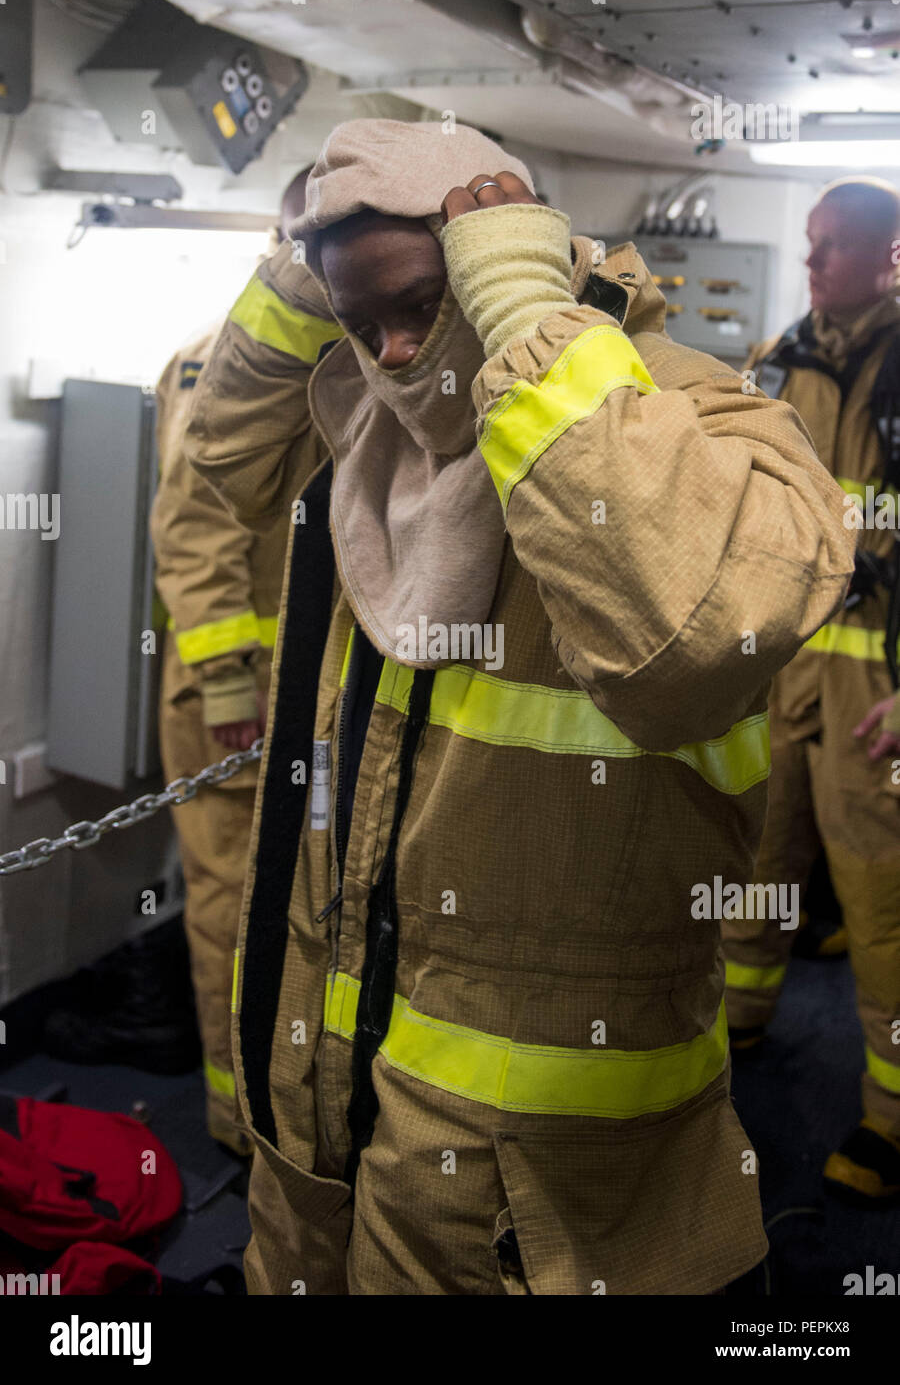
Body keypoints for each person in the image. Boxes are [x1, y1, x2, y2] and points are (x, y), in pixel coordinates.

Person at [184, 118, 853, 1293]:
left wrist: (527, 322)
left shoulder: (698, 410)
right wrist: (306, 261)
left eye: (422, 302)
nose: (392, 352)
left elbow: (685, 634)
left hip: (535, 1161)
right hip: (338, 1077)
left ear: (516, 258)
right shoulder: (366, 428)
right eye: (359, 319)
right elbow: (217, 457)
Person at [150, 168, 342, 1155]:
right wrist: (230, 681)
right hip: (237, 690)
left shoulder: (353, 364)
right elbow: (192, 531)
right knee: (233, 901)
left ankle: (299, 1098)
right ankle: (237, 1115)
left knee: (314, 897)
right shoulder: (220, 367)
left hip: (315, 691)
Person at [722, 177, 900, 1200]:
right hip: (781, 660)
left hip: (880, 673)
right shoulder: (777, 367)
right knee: (759, 850)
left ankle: (893, 1119)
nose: (813, 259)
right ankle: (741, 1015)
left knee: (879, 899)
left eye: (835, 245)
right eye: (809, 242)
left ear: (888, 256)